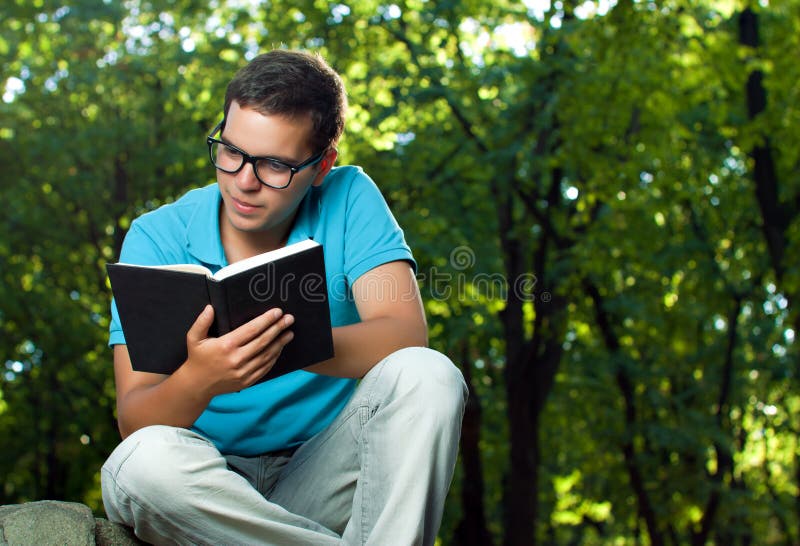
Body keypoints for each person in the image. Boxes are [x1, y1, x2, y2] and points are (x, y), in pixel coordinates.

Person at [100, 49, 467, 545]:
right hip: (210, 492)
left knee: (430, 376)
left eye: (275, 164)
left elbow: (405, 335)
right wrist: (203, 377)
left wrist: (286, 343)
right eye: (231, 151)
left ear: (321, 166)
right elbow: (135, 418)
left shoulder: (349, 196)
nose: (244, 181)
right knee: (140, 466)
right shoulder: (156, 236)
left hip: (324, 472)